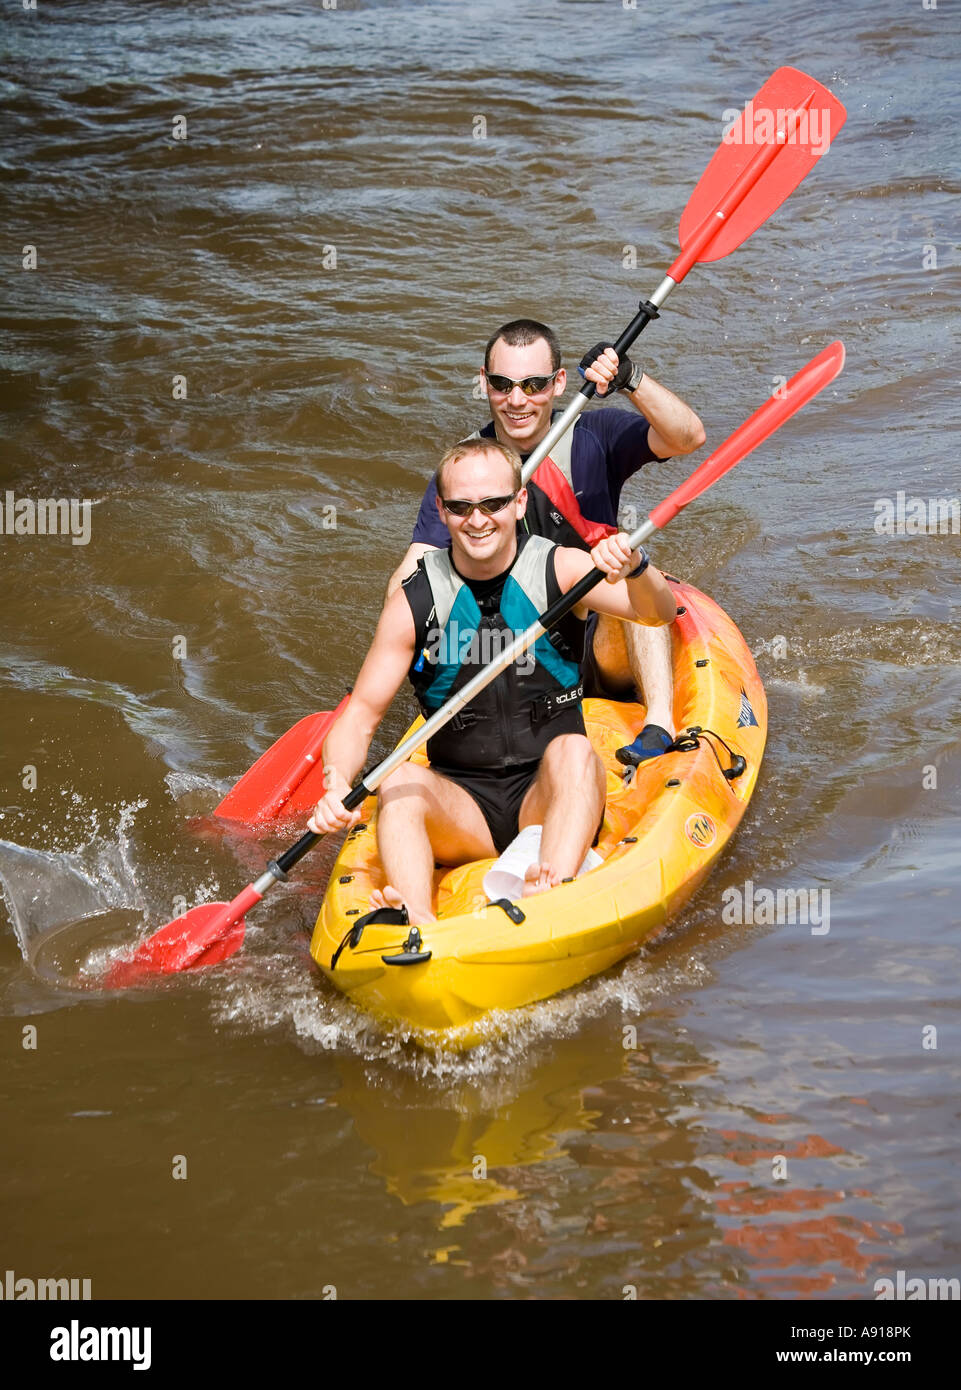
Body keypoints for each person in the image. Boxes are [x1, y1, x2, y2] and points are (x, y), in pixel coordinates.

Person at [310, 438, 676, 925]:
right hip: (462, 807)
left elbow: (658, 614)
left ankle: (553, 889)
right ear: (441, 511)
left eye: (493, 503)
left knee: (575, 751)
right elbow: (361, 715)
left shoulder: (560, 569)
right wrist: (335, 784)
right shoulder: (415, 600)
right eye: (461, 506)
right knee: (396, 780)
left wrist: (639, 568)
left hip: (546, 797)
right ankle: (414, 920)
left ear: (519, 501)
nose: (477, 519)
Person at [385, 318, 705, 766]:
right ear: (484, 383)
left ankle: (659, 722)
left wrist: (631, 379)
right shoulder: (467, 469)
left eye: (533, 384)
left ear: (558, 384)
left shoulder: (595, 436)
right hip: (518, 655)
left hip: (597, 642)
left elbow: (688, 437)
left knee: (626, 567)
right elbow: (413, 572)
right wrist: (387, 661)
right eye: (502, 384)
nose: (517, 400)